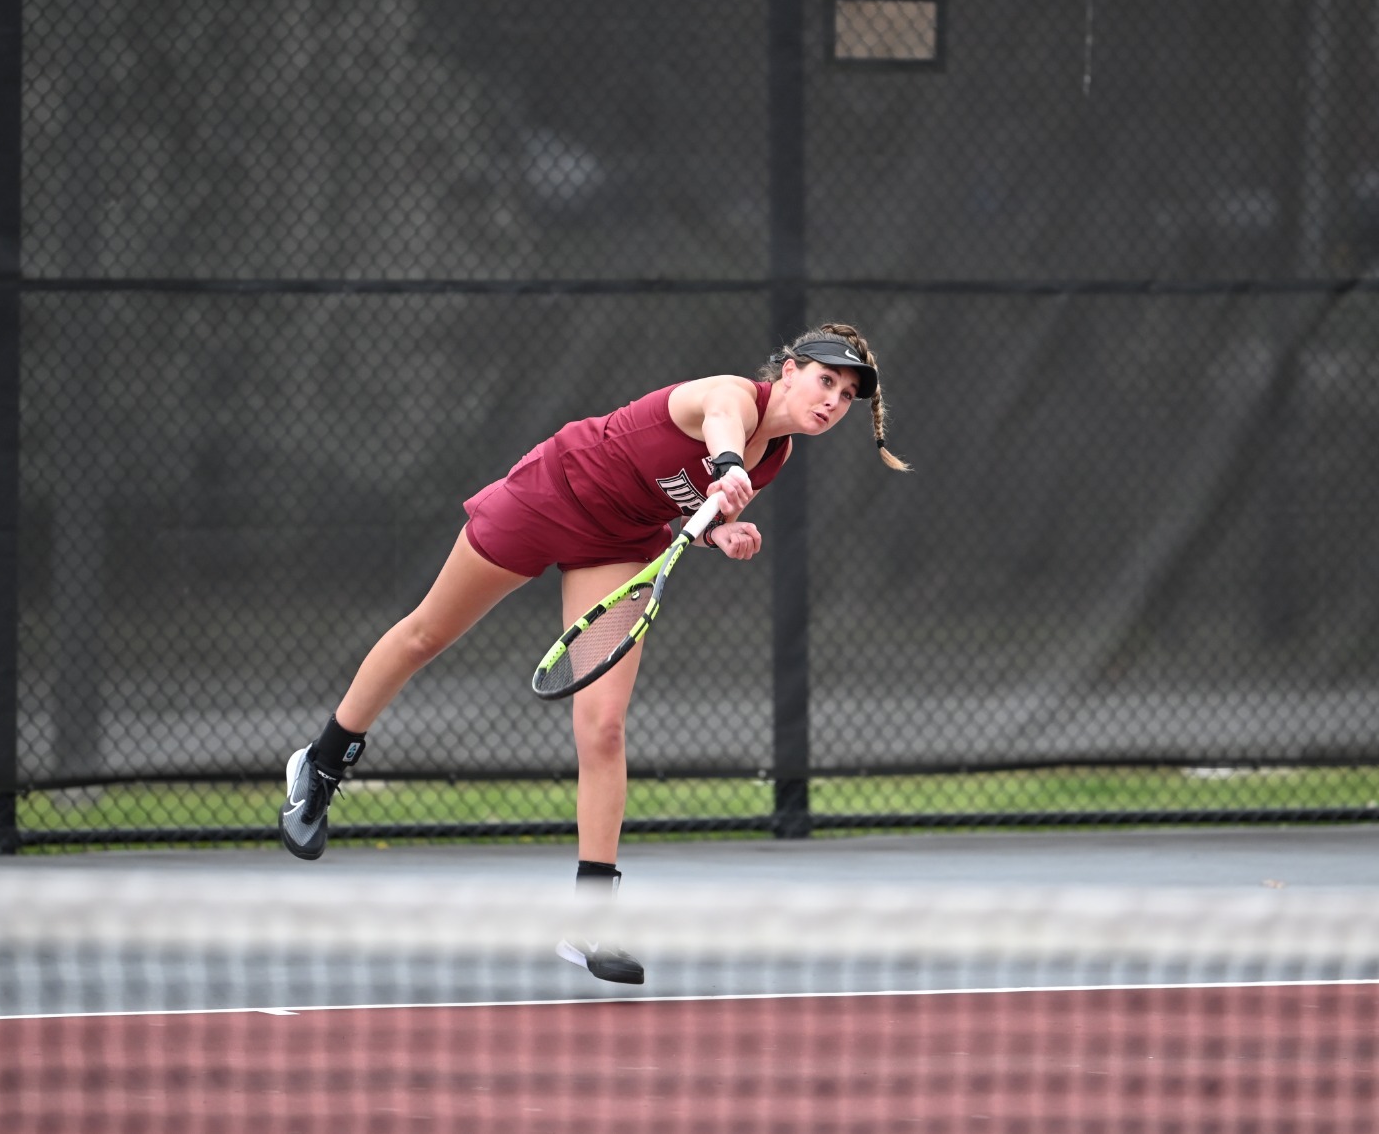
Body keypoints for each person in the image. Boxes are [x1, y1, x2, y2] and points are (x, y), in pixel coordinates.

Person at [277, 322, 910, 983]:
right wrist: (727, 470)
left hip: (617, 544)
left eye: (846, 395)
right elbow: (720, 424)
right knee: (425, 635)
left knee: (603, 729)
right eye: (825, 381)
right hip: (551, 494)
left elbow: (669, 501)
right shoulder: (732, 399)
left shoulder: (774, 455)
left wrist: (714, 537)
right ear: (788, 371)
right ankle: (320, 765)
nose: (833, 401)